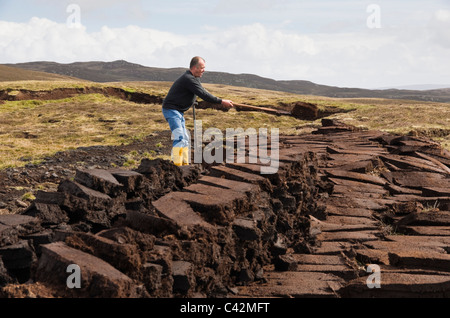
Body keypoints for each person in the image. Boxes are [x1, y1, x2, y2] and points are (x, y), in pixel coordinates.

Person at [162, 56, 234, 166]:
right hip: (172, 110)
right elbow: (203, 94)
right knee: (180, 137)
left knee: (185, 138)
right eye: (202, 68)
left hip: (178, 111)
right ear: (195, 68)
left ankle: (185, 164)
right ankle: (176, 165)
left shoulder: (193, 79)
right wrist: (221, 101)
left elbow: (201, 91)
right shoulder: (188, 79)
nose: (204, 70)